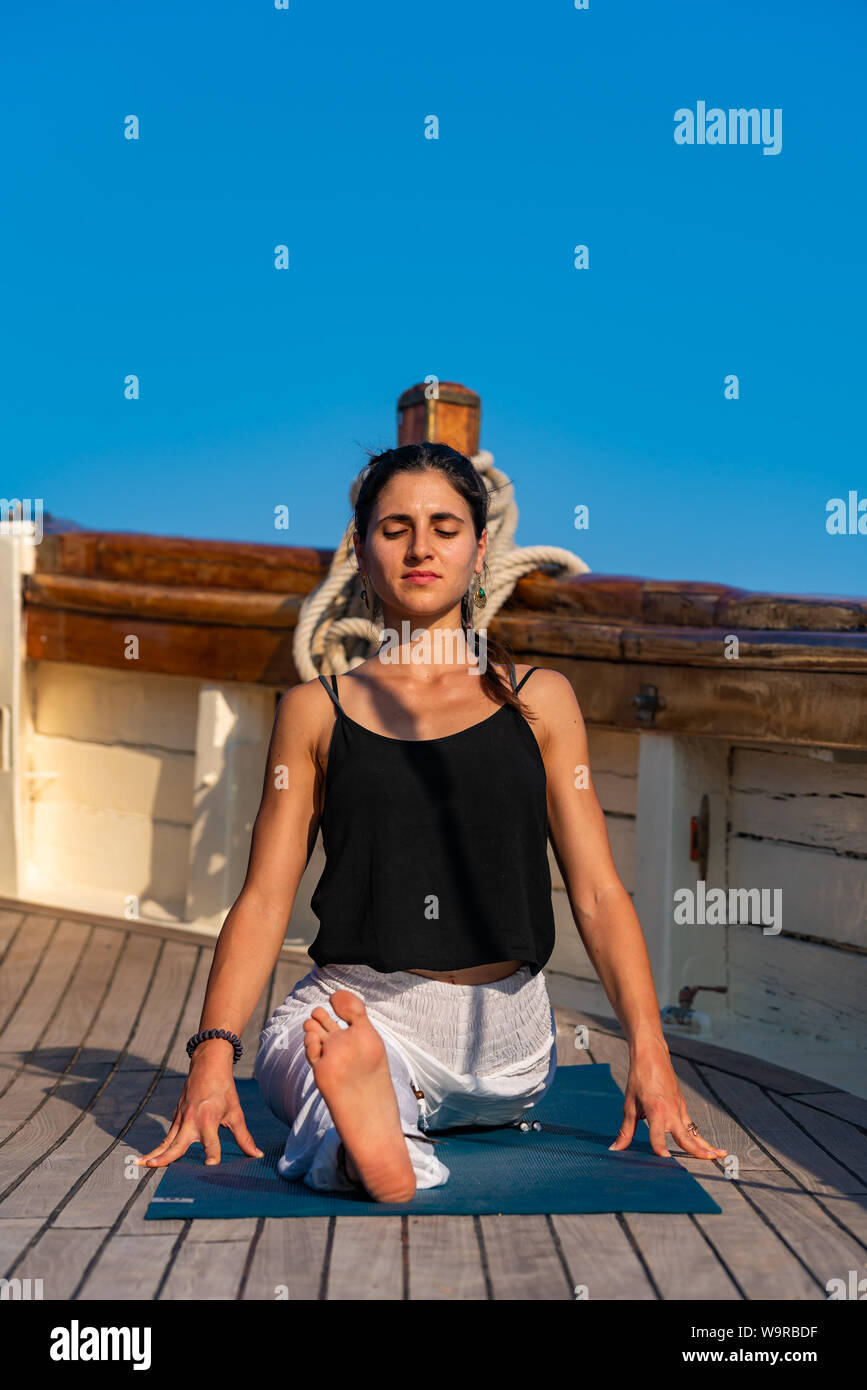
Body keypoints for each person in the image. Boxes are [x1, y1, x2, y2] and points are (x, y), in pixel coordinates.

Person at [136, 442, 727, 1201]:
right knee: (321, 1059)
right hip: (359, 1007)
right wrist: (213, 1057)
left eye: (444, 527)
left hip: (504, 1044)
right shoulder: (316, 709)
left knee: (332, 1079)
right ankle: (376, 1147)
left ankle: (365, 1125)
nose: (420, 547)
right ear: (360, 548)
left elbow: (598, 893)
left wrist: (651, 1054)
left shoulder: (538, 699)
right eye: (394, 528)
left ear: (479, 549)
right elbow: (263, 898)